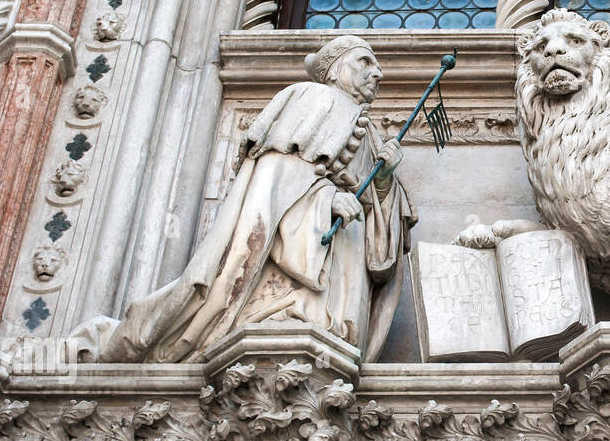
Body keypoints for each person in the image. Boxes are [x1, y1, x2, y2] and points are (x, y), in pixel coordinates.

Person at [82, 35, 415, 363]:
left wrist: (384, 180)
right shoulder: (313, 98)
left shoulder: (368, 131)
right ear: (335, 69)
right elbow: (275, 179)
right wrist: (325, 201)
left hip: (345, 254)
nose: (378, 73)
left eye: (377, 65)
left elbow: (377, 222)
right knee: (289, 329)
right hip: (306, 245)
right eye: (365, 62)